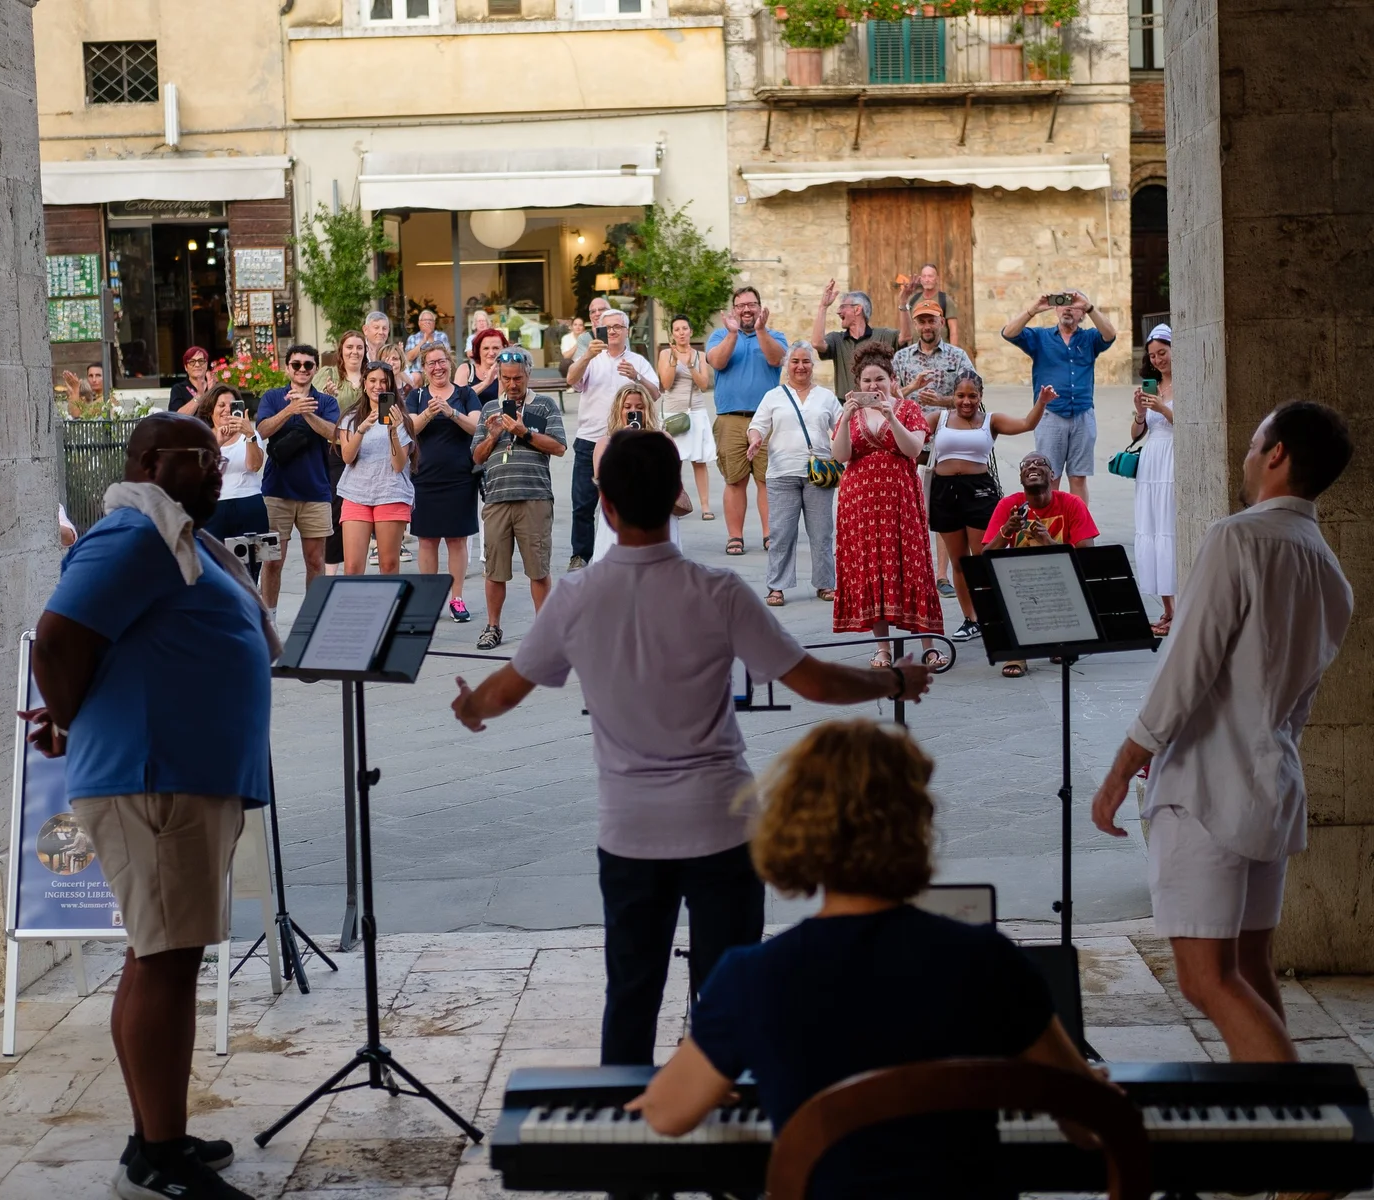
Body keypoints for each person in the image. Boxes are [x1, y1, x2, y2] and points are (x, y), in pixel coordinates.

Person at [450, 432, 935, 1067]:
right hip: (722, 824)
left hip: (631, 832)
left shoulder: (575, 596)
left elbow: (504, 691)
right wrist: (893, 679)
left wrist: (471, 707)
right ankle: (725, 1103)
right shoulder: (718, 590)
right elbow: (814, 681)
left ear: (605, 506)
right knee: (731, 996)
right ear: (677, 495)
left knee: (631, 995)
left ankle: (630, 1115)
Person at [625, 720, 1094, 1195]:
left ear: (797, 830)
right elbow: (1089, 1124)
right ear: (916, 826)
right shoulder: (990, 961)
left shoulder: (750, 977)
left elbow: (666, 1115)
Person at [24, 412, 273, 1200]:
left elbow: (125, 648)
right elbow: (56, 640)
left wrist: (82, 712)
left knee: (160, 957)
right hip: (154, 777)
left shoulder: (172, 536)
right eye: (201, 456)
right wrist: (74, 720)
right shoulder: (135, 534)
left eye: (216, 456)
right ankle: (161, 1160)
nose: (218, 467)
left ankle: (153, 1139)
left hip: (178, 773)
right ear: (151, 463)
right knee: (166, 963)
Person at [1092, 401, 1354, 1063]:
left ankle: (1298, 1120)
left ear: (1277, 454)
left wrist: (1122, 768)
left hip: (1208, 788)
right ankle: (1278, 1118)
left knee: (1205, 977)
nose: (1245, 455)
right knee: (1249, 963)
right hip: (1272, 783)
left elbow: (1185, 668)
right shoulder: (1328, 567)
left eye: (1255, 442)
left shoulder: (1239, 538)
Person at [831, 343, 946, 669]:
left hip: (900, 501)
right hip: (860, 504)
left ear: (892, 380)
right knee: (872, 570)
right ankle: (882, 648)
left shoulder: (908, 409)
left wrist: (890, 416)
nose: (873, 386)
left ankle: (928, 646)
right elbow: (840, 455)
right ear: (858, 384)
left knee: (913, 567)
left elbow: (913, 449)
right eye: (867, 381)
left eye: (879, 379)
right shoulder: (849, 414)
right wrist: (846, 418)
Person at [930, 372, 1052, 641]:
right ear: (953, 396)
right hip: (944, 492)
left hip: (979, 491)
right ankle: (971, 619)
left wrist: (1042, 402)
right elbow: (908, 433)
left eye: (972, 396)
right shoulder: (939, 418)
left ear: (981, 396)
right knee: (959, 562)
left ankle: (994, 613)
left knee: (983, 557)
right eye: (960, 396)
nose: (966, 401)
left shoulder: (990, 420)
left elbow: (1026, 424)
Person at [469, 349, 567, 650]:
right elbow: (476, 457)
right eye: (506, 378)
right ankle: (492, 627)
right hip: (497, 498)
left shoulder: (545, 405)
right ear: (499, 376)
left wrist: (524, 432)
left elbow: (559, 447)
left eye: (518, 378)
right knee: (494, 570)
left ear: (528, 375)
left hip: (534, 496)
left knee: (538, 568)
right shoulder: (489, 409)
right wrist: (492, 436)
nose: (512, 384)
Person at [981, 450, 1099, 679]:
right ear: (1021, 478)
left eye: (1040, 463)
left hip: (1059, 576)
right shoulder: (1009, 505)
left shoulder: (1072, 503)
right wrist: (1006, 531)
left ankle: (1058, 640)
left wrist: (1050, 543)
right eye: (1026, 465)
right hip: (1020, 579)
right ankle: (1017, 651)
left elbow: (1087, 555)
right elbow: (985, 556)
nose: (1032, 466)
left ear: (1052, 474)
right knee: (1003, 585)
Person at [893, 298, 978, 599]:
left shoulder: (957, 356)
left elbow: (975, 394)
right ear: (915, 324)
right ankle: (914, 571)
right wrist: (912, 389)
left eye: (932, 320)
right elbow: (889, 397)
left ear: (942, 322)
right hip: (912, 442)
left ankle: (942, 574)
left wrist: (942, 401)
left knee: (946, 510)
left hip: (947, 440)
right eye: (922, 321)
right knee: (910, 510)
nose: (927, 326)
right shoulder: (901, 358)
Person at [565, 305, 660, 570]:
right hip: (590, 438)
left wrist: (637, 377)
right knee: (583, 503)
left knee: (626, 500)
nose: (613, 331)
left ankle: (625, 550)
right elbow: (571, 380)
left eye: (618, 326)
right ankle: (580, 554)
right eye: (608, 327)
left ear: (627, 331)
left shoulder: (637, 361)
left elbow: (655, 394)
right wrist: (586, 356)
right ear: (599, 330)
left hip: (626, 444)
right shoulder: (591, 358)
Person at [1001, 289, 1117, 507]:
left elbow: (1110, 335)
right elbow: (1009, 333)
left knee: (1078, 477)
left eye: (1075, 306)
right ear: (1055, 309)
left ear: (1082, 314)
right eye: (1063, 304)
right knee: (1049, 476)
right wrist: (1033, 309)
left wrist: (1089, 306)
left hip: (1083, 414)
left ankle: (1078, 523)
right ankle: (1052, 524)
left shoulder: (1090, 338)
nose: (1068, 309)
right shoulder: (1040, 337)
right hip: (1050, 415)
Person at [746, 341, 839, 607]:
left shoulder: (826, 397)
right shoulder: (773, 396)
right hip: (781, 472)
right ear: (787, 365)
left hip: (819, 473)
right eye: (795, 361)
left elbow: (841, 426)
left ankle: (825, 583)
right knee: (781, 533)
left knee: (821, 533)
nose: (800, 366)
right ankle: (777, 586)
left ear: (813, 365)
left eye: (806, 361)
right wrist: (755, 439)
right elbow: (757, 425)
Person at [255, 343, 341, 621]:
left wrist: (306, 412)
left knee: (316, 561)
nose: (302, 369)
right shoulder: (272, 397)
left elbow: (334, 434)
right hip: (276, 491)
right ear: (287, 368)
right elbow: (261, 431)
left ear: (315, 369)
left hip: (316, 491)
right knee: (272, 561)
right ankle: (269, 619)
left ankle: (312, 620)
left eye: (307, 365)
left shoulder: (326, 402)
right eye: (296, 364)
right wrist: (289, 410)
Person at [407, 343, 483, 622]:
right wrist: (429, 413)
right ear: (424, 368)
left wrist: (451, 412)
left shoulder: (465, 394)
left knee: (456, 539)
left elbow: (477, 427)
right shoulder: (416, 396)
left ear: (450, 363)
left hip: (459, 477)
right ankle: (429, 599)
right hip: (424, 477)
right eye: (431, 363)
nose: (437, 367)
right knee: (427, 539)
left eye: (442, 361)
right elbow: (409, 428)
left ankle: (457, 598)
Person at [706, 286, 783, 556]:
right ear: (734, 310)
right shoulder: (719, 335)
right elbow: (717, 362)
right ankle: (735, 536)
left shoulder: (775, 336)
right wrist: (731, 333)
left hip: (767, 421)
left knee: (767, 480)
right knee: (734, 480)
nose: (746, 310)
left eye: (751, 305)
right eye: (740, 306)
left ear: (760, 308)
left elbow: (776, 358)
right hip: (730, 419)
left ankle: (769, 535)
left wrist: (761, 330)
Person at [338, 362, 416, 577]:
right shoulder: (350, 417)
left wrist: (393, 431)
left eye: (383, 381)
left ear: (390, 385)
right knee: (352, 567)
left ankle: (389, 601)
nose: (378, 386)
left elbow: (398, 465)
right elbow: (347, 457)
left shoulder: (402, 419)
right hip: (356, 492)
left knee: (388, 565)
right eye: (372, 380)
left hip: (391, 492)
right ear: (364, 384)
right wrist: (361, 429)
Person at [591, 383, 684, 560]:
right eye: (627, 407)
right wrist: (620, 447)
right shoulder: (606, 442)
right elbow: (601, 480)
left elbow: (673, 476)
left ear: (647, 410)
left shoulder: (662, 439)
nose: (633, 411)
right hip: (621, 515)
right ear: (618, 410)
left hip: (658, 513)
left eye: (639, 407)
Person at [200, 384, 271, 584]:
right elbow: (200, 474)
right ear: (211, 409)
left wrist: (250, 435)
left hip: (249, 505)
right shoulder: (202, 437)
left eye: (231, 405)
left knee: (250, 571)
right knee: (215, 570)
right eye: (221, 405)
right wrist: (218, 444)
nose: (226, 410)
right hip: (214, 508)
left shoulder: (251, 434)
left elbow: (254, 465)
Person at [1132, 324, 1177, 636]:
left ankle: (1181, 610)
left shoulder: (1186, 384)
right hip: (1151, 460)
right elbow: (1136, 434)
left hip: (1173, 457)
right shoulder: (1153, 386)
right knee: (1152, 528)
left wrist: (1162, 407)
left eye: (1163, 352)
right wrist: (1140, 412)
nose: (1158, 360)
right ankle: (1168, 609)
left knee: (1169, 528)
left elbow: (1190, 424)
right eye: (1153, 356)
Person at [312, 330, 367, 577]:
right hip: (335, 448)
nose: (354, 352)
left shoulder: (371, 375)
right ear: (341, 351)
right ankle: (330, 573)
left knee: (361, 512)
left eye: (359, 347)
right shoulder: (329, 375)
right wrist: (326, 397)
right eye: (350, 347)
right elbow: (311, 407)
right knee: (337, 509)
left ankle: (354, 572)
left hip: (367, 450)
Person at [657, 314, 716, 518]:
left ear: (691, 331)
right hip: (673, 412)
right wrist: (675, 361)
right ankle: (673, 503)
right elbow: (666, 384)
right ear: (672, 334)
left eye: (684, 328)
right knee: (673, 461)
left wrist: (691, 365)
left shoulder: (700, 355)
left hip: (695, 411)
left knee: (699, 460)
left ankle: (705, 506)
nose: (681, 333)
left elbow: (704, 385)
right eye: (677, 330)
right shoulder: (665, 354)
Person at [811, 280, 901, 400]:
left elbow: (906, 337)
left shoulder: (883, 335)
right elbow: (817, 343)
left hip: (878, 403)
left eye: (843, 307)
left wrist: (904, 304)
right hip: (846, 405)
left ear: (858, 309)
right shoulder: (837, 339)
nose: (838, 311)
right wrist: (823, 307)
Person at [897, 262, 960, 346]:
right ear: (921, 279)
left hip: (940, 350)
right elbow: (907, 328)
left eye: (930, 276)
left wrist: (953, 352)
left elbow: (953, 331)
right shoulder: (913, 299)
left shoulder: (944, 300)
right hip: (916, 349)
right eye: (924, 276)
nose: (927, 279)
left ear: (937, 279)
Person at [456, 327, 507, 399]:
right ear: (478, 350)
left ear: (504, 349)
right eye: (486, 348)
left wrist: (501, 377)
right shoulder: (466, 370)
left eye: (495, 348)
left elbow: (504, 402)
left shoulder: (508, 372)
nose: (491, 353)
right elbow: (457, 399)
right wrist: (486, 383)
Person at [167, 347, 215, 416]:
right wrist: (199, 396)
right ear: (186, 367)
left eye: (201, 361)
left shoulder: (215, 387)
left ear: (206, 365)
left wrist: (211, 392)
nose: (197, 365)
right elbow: (176, 417)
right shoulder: (178, 389)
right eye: (192, 362)